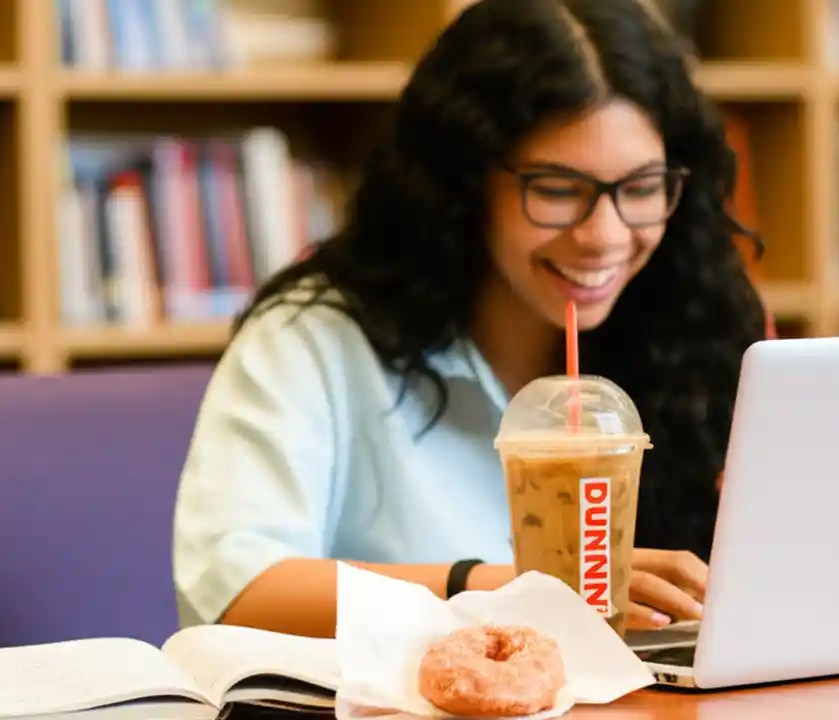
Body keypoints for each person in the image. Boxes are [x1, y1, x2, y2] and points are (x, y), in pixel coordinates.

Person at [172, 0, 768, 639]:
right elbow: (232, 591)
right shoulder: (315, 339)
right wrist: (496, 589)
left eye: (643, 188)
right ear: (465, 179)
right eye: (558, 189)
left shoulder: (693, 328)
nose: (605, 236)